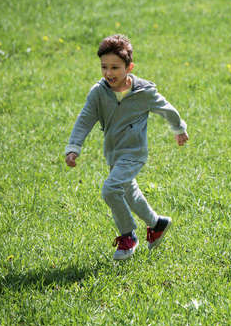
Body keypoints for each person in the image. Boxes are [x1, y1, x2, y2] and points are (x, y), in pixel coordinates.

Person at [65, 34, 188, 260]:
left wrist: (179, 129)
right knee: (129, 193)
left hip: (134, 153)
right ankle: (157, 224)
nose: (108, 73)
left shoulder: (143, 93)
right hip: (113, 153)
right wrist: (74, 147)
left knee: (110, 190)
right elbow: (84, 120)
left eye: (115, 67)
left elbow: (166, 109)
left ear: (129, 67)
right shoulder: (98, 93)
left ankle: (127, 235)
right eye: (104, 67)